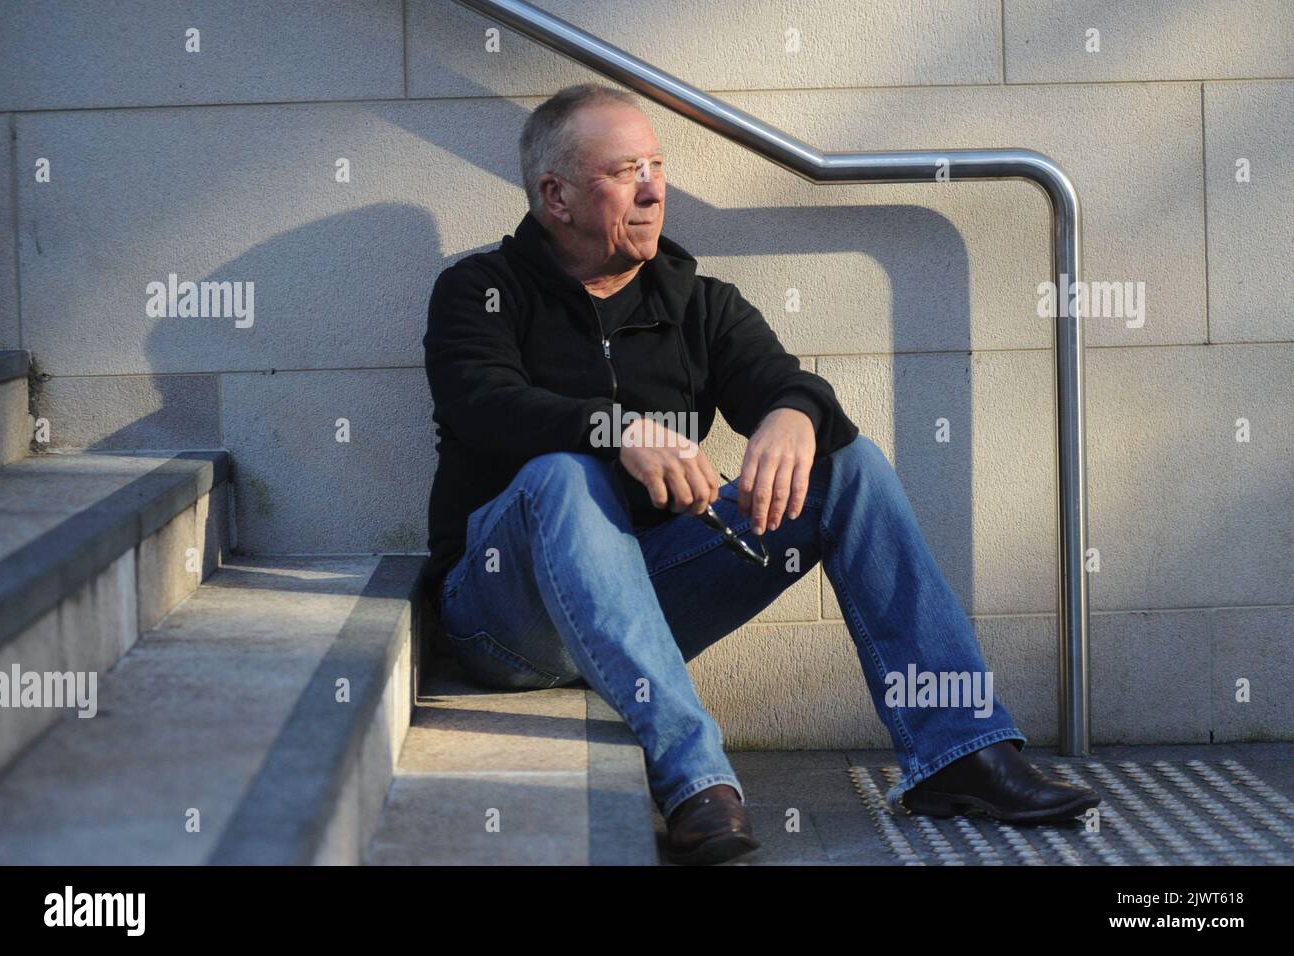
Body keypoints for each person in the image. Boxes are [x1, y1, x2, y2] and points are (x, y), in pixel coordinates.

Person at [422, 83, 1100, 866]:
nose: (651, 189)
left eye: (656, 166)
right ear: (557, 196)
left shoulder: (698, 305)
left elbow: (782, 380)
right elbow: (484, 403)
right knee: (565, 476)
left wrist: (795, 414)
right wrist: (614, 431)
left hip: (648, 598)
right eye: (623, 171)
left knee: (849, 465)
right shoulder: (480, 294)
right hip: (508, 615)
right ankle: (694, 783)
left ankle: (961, 751)